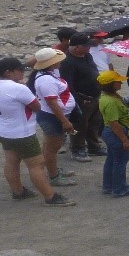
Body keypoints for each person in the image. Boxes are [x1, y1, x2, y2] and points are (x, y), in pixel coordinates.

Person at [0, 57, 75, 207]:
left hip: (2, 130)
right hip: (21, 132)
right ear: (9, 72)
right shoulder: (18, 88)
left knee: (12, 161)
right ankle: (50, 196)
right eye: (20, 70)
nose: (23, 73)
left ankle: (18, 191)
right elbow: (37, 107)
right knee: (36, 165)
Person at [31, 47, 79, 188]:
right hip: (52, 117)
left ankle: (53, 171)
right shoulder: (47, 80)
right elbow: (52, 102)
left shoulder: (47, 75)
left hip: (51, 115)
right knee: (53, 147)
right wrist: (65, 121)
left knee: (50, 145)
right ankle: (53, 176)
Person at [60, 32, 106, 161]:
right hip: (82, 98)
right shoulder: (68, 62)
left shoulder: (87, 56)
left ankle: (93, 146)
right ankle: (77, 149)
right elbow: (67, 83)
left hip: (95, 96)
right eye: (85, 46)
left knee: (94, 123)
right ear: (76, 47)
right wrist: (78, 99)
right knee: (80, 125)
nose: (89, 47)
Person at [97, 70, 129, 197]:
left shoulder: (111, 96)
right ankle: (120, 188)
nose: (121, 83)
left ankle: (108, 186)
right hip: (116, 133)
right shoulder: (110, 102)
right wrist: (124, 140)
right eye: (118, 81)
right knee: (120, 161)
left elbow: (125, 106)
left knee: (112, 159)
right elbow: (114, 124)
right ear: (111, 84)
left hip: (111, 133)